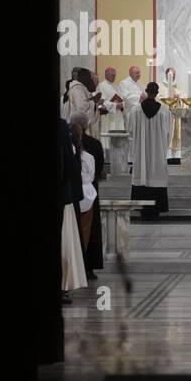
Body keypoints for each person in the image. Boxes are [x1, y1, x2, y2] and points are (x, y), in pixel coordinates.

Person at [128, 81, 173, 220]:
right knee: (156, 175)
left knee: (142, 175)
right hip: (157, 153)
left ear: (146, 92)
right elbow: (169, 134)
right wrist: (162, 147)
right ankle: (156, 211)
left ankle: (143, 211)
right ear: (157, 93)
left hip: (140, 153)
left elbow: (130, 131)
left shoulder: (135, 110)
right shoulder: (165, 111)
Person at [72, 111, 105, 278]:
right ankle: (90, 267)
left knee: (73, 229)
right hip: (91, 191)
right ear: (86, 125)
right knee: (91, 230)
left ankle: (74, 267)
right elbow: (99, 169)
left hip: (72, 192)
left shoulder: (68, 141)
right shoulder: (94, 144)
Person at [59, 117, 87, 302]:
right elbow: (71, 166)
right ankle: (62, 287)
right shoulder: (61, 127)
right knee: (63, 245)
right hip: (60, 197)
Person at [60, 68, 103, 138]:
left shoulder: (82, 88)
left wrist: (94, 102)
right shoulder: (78, 89)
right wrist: (94, 103)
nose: (92, 81)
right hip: (78, 129)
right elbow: (82, 108)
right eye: (91, 78)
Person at [97, 66, 128, 140]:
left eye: (115, 75)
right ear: (106, 75)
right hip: (108, 116)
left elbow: (122, 99)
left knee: (119, 140)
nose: (114, 77)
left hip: (118, 115)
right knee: (109, 139)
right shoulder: (101, 86)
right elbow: (101, 103)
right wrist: (115, 105)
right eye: (112, 75)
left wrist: (122, 104)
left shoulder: (117, 86)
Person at [160, 66, 182, 160]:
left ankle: (175, 155)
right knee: (167, 133)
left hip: (175, 115)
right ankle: (167, 155)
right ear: (166, 75)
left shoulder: (175, 87)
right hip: (165, 114)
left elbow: (180, 100)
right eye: (170, 74)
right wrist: (172, 96)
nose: (172, 76)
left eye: (173, 75)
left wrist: (179, 98)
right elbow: (159, 98)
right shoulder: (161, 86)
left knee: (176, 133)